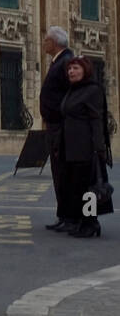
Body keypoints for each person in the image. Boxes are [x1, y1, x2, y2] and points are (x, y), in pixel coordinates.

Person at [59, 55, 110, 238]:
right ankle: (81, 221)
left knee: (89, 189)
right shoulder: (73, 90)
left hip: (86, 148)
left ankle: (91, 223)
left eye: (76, 68)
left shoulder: (92, 90)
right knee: (77, 187)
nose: (71, 71)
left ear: (85, 70)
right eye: (70, 69)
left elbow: (96, 120)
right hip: (71, 148)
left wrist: (99, 149)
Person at [40, 26, 74, 231]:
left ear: (54, 43)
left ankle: (69, 216)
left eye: (46, 40)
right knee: (58, 172)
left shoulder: (66, 62)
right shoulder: (59, 61)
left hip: (62, 129)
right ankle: (63, 215)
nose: (44, 43)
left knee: (64, 173)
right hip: (55, 127)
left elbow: (71, 93)